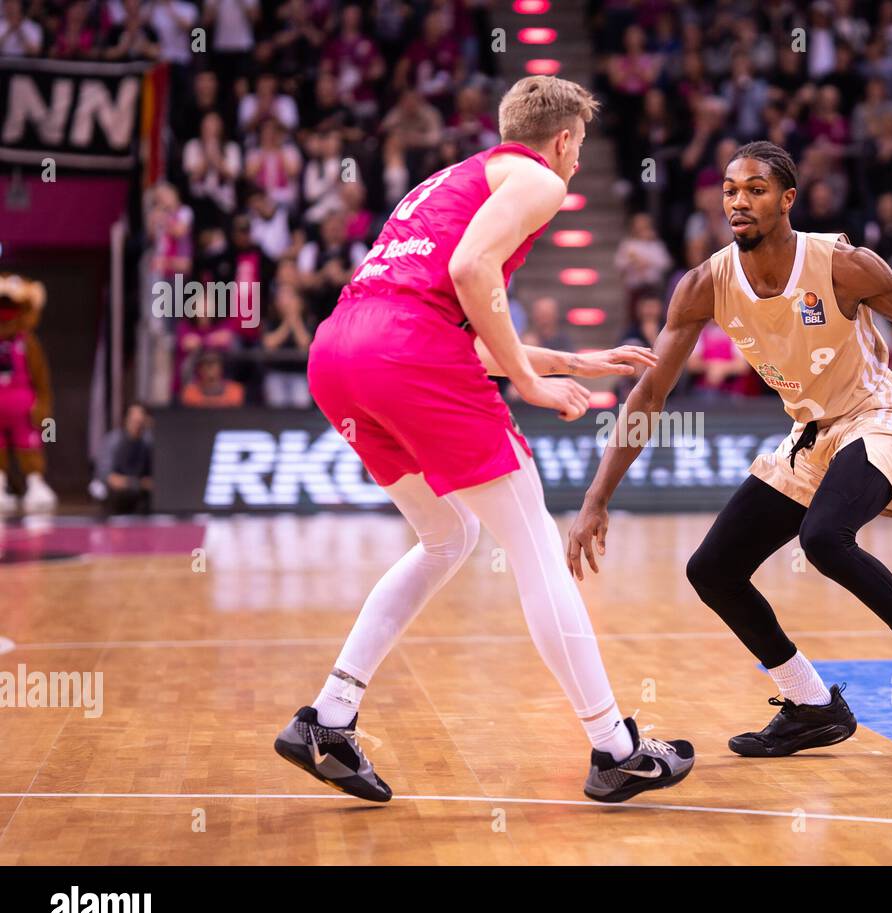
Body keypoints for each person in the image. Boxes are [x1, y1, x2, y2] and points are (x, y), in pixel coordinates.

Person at [567, 141, 892, 760]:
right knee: (712, 570)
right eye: (730, 190)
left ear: (787, 200)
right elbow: (648, 396)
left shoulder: (841, 265)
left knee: (824, 537)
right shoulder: (704, 286)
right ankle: (811, 705)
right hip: (811, 434)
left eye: (755, 189)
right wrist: (597, 497)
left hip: (881, 414)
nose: (739, 201)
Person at [275, 76, 695, 805]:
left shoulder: (451, 181)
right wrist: (530, 386)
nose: (575, 161)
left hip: (340, 354)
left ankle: (328, 718)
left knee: (447, 536)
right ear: (564, 141)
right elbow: (469, 278)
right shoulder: (536, 179)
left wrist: (561, 361)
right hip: (403, 350)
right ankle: (615, 748)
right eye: (580, 147)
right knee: (532, 540)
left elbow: (435, 323)